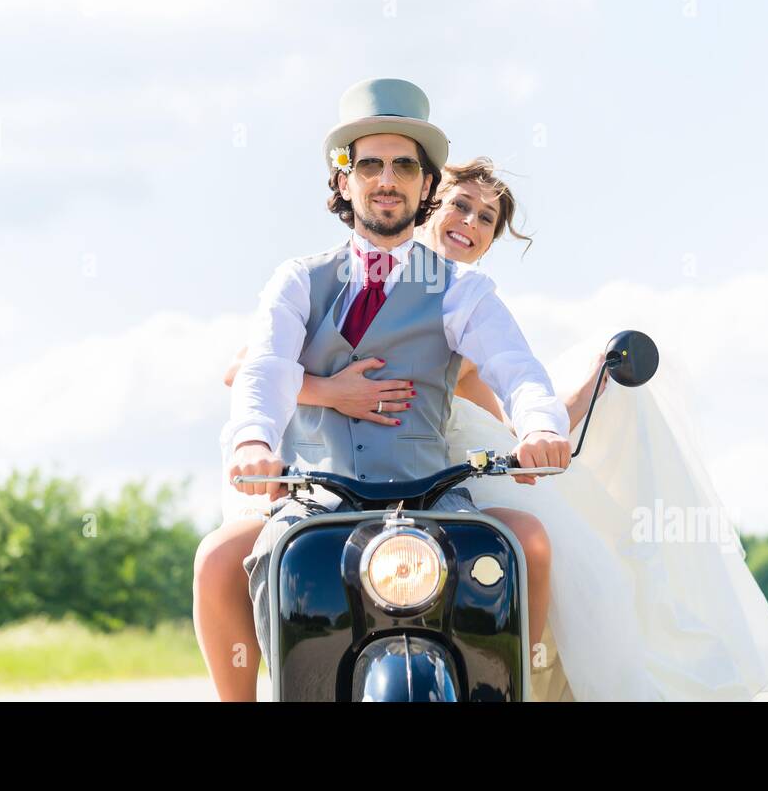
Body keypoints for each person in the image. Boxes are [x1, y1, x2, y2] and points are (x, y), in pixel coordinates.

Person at [200, 77, 571, 701]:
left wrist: (540, 427)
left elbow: (516, 364)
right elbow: (263, 367)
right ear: (344, 180)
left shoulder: (460, 288)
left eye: (405, 165)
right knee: (218, 560)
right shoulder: (298, 280)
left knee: (518, 546)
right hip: (317, 499)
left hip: (431, 499)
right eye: (368, 163)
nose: (387, 178)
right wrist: (251, 444)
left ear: (428, 186)